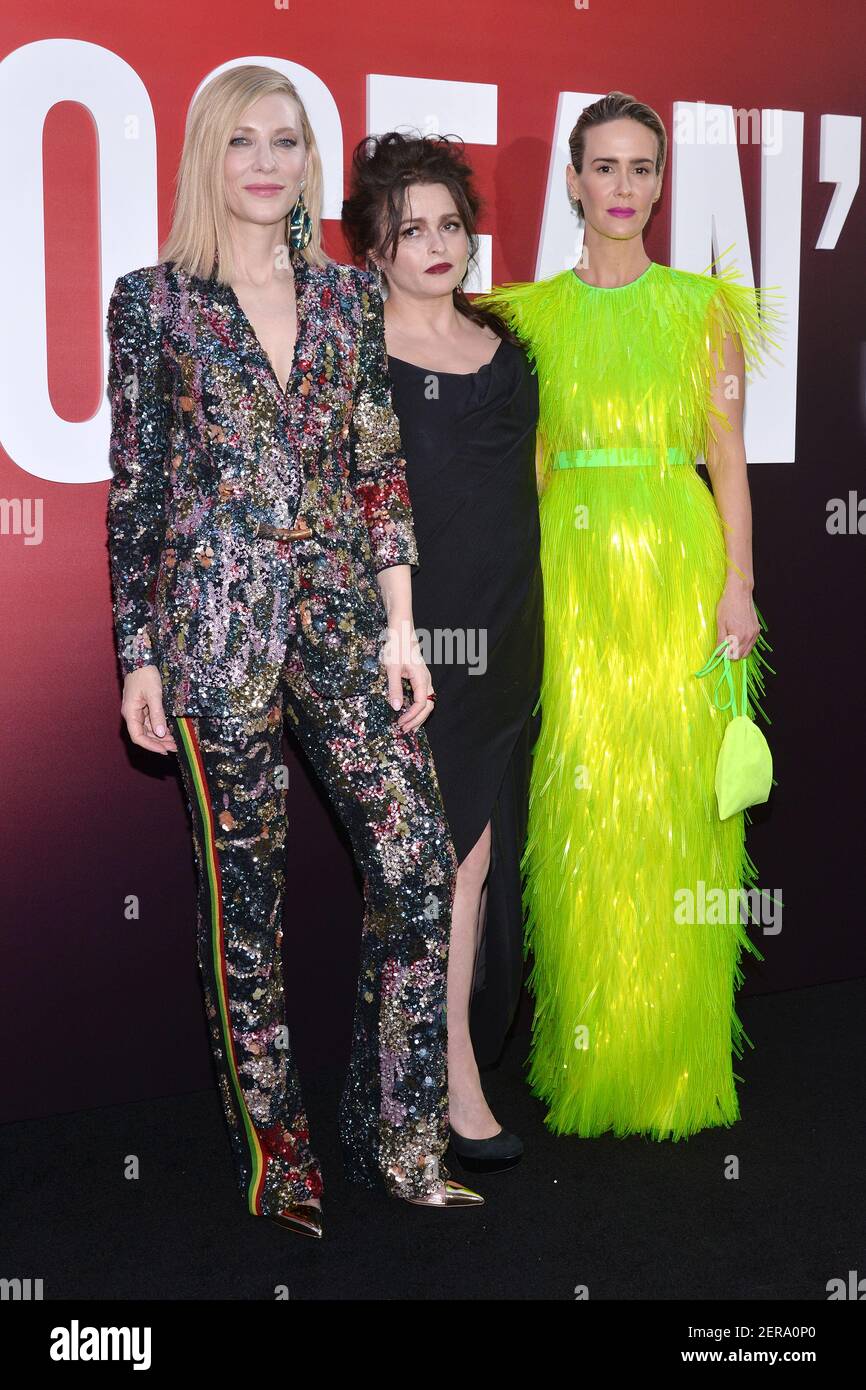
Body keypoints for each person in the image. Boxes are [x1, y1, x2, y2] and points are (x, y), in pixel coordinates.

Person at [105, 65, 485, 1237]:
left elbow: (377, 471)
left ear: (308, 162)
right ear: (208, 158)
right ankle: (282, 1163)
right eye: (242, 142)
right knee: (247, 909)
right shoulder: (151, 301)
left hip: (338, 621)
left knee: (418, 866)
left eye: (286, 141)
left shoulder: (344, 302)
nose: (266, 162)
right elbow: (137, 493)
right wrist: (139, 654)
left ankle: (400, 1136)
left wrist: (401, 631)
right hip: (210, 633)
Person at [474, 91, 781, 1140]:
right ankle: (586, 1052)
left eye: (639, 168)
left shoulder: (699, 306)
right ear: (571, 179)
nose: (621, 187)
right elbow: (525, 470)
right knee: (579, 807)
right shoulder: (527, 316)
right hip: (570, 579)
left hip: (680, 566)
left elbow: (726, 457)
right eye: (602, 167)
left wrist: (735, 580)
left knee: (678, 817)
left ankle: (672, 1061)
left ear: (659, 181)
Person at [342, 132, 544, 1172]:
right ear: (370, 245)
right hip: (410, 651)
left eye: (449, 225)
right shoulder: (353, 354)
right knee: (438, 868)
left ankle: (420, 1072)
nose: (434, 244)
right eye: (408, 228)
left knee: (471, 862)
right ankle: (446, 1077)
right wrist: (386, 637)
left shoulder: (509, 344)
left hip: (509, 634)